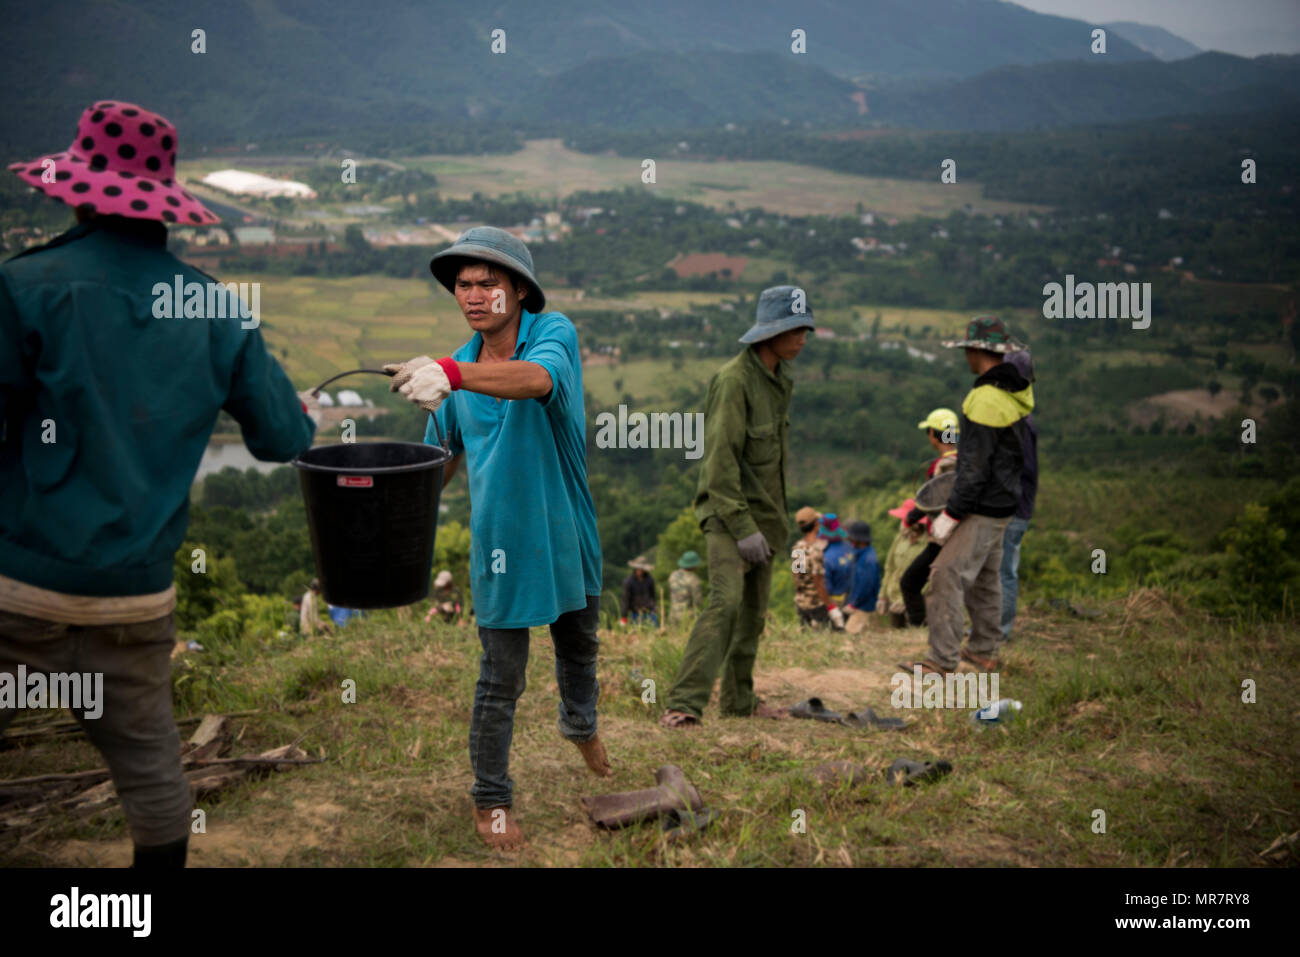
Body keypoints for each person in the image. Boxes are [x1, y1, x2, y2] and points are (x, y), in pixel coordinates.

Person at [0, 101, 317, 869]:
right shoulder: (216, 309)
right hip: (135, 599)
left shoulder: (25, 286)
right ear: (160, 203)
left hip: (20, 585)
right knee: (150, 767)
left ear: (78, 189)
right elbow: (283, 439)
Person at [385, 226, 607, 851]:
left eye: (489, 284)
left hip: (565, 532)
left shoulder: (552, 334)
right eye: (464, 285)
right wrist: (393, 515)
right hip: (500, 549)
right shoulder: (454, 374)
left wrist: (451, 374)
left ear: (519, 290)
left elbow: (538, 382)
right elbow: (440, 461)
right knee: (500, 680)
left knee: (580, 646)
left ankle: (580, 724)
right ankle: (492, 797)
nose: (476, 295)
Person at [659, 286, 813, 728]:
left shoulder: (782, 379)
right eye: (795, 328)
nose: (803, 337)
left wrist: (768, 524)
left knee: (753, 614)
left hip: (767, 518)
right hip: (729, 516)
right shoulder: (734, 381)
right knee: (726, 603)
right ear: (771, 332)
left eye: (806, 328)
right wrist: (743, 527)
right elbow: (720, 461)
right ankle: (684, 703)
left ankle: (739, 700)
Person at [902, 317, 1034, 676]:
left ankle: (941, 660)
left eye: (967, 350)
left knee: (945, 574)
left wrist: (951, 515)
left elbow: (974, 467)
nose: (966, 357)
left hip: (982, 506)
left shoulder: (984, 399)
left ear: (976, 350)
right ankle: (983, 651)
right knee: (987, 580)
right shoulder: (1012, 393)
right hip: (1005, 502)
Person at [898, 407, 961, 626]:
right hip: (963, 534)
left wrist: (910, 518)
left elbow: (930, 501)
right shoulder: (967, 462)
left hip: (941, 536)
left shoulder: (941, 466)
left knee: (909, 582)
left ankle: (919, 627)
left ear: (934, 434)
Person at [1000, 349, 1038, 643]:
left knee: (1004, 572)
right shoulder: (1021, 417)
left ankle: (1000, 632)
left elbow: (1020, 468)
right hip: (1014, 506)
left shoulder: (1019, 422)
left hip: (1013, 508)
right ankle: (990, 629)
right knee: (998, 571)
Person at [877, 499, 929, 628]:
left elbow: (931, 578)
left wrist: (909, 601)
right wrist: (882, 596)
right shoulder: (900, 538)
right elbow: (890, 567)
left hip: (919, 601)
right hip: (895, 597)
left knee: (916, 634)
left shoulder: (929, 543)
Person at [791, 506, 843, 628]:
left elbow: (796, 577)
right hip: (817, 605)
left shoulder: (797, 548)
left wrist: (801, 599)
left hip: (801, 604)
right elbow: (818, 581)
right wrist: (831, 607)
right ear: (815, 524)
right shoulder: (816, 550)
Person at [842, 521, 881, 623]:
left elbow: (866, 585)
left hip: (864, 607)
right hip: (856, 604)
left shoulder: (868, 559)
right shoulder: (859, 555)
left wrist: (854, 604)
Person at [820, 514, 852, 606]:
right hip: (853, 599)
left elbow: (826, 588)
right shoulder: (851, 548)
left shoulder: (824, 555)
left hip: (834, 602)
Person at [666, 551, 703, 625]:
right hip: (687, 616)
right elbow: (698, 602)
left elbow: (670, 591)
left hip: (672, 614)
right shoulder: (694, 579)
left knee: (673, 635)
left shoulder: (673, 575)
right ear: (694, 565)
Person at [621, 556, 658, 626]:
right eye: (638, 569)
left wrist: (655, 606)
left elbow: (653, 595)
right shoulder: (629, 581)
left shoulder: (649, 580)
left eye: (641, 569)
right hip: (635, 612)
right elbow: (626, 599)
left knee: (652, 631)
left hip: (649, 611)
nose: (639, 571)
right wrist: (624, 616)